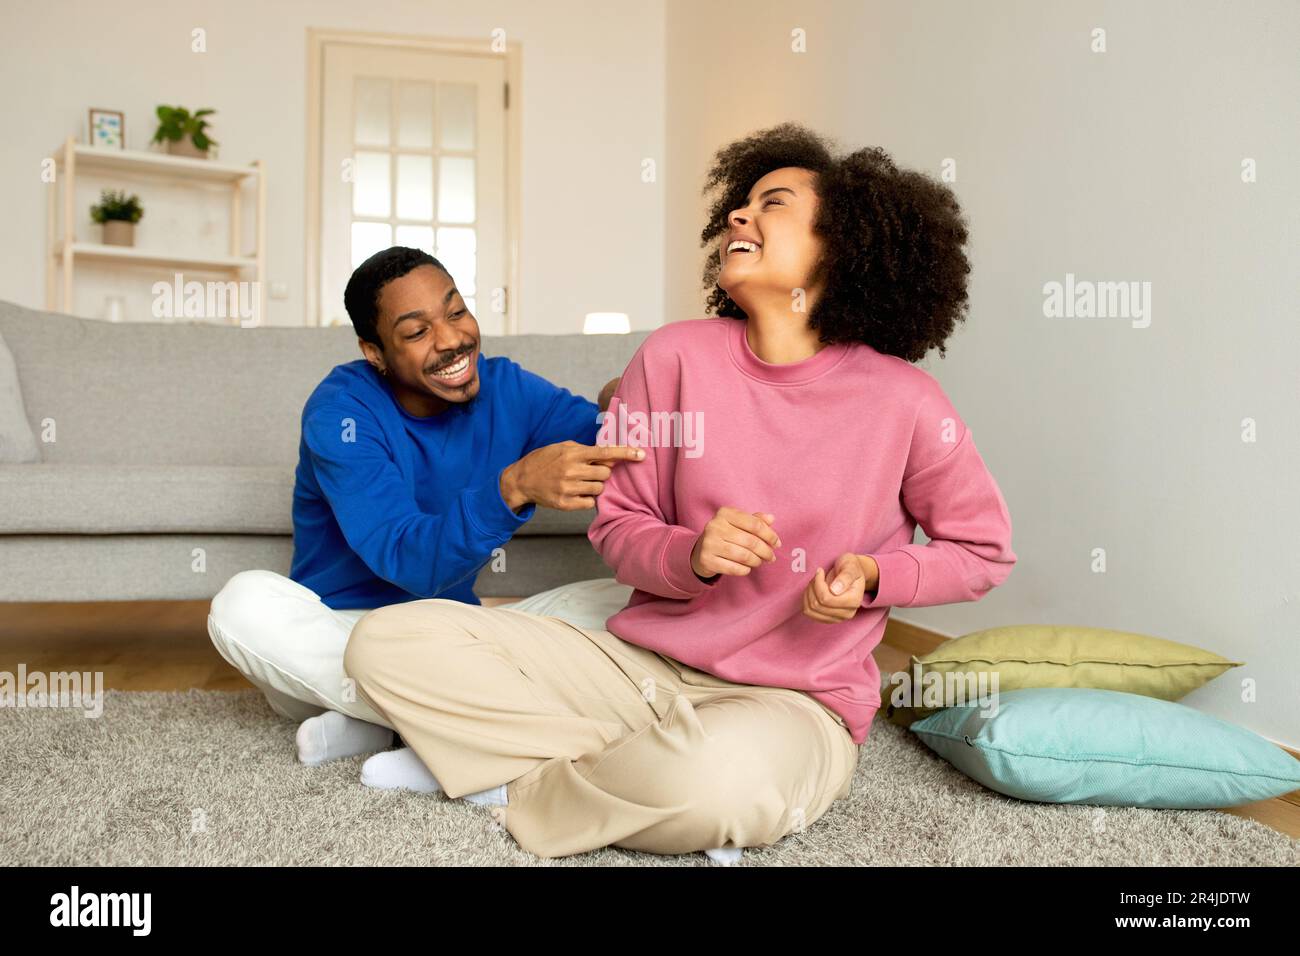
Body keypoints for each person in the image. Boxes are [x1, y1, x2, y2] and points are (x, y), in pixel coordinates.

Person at [341, 123, 1018, 862]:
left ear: (843, 243)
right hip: (642, 670)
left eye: (775, 204)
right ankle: (636, 782)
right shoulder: (672, 356)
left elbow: (983, 553)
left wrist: (877, 574)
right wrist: (691, 553)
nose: (739, 215)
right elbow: (618, 529)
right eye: (742, 202)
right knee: (386, 641)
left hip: (794, 702)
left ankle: (510, 778)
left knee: (723, 781)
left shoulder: (907, 402)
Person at [206, 246, 640, 778]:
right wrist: (512, 488)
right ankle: (457, 726)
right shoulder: (341, 413)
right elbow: (407, 559)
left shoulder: (507, 387)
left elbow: (613, 444)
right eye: (416, 332)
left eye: (456, 312)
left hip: (451, 638)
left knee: (625, 599)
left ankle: (394, 723)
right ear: (376, 353)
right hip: (337, 639)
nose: (452, 340)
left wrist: (628, 403)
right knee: (241, 605)